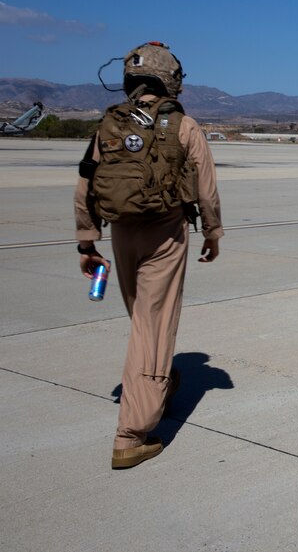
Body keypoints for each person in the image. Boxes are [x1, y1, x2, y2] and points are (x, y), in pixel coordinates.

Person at [74, 42, 223, 469]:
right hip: (165, 235)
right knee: (153, 328)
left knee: (142, 318)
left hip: (121, 233)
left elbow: (86, 182)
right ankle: (131, 434)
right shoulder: (183, 125)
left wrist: (87, 241)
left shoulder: (111, 124)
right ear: (170, 79)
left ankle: (162, 382)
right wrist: (212, 232)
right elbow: (206, 187)